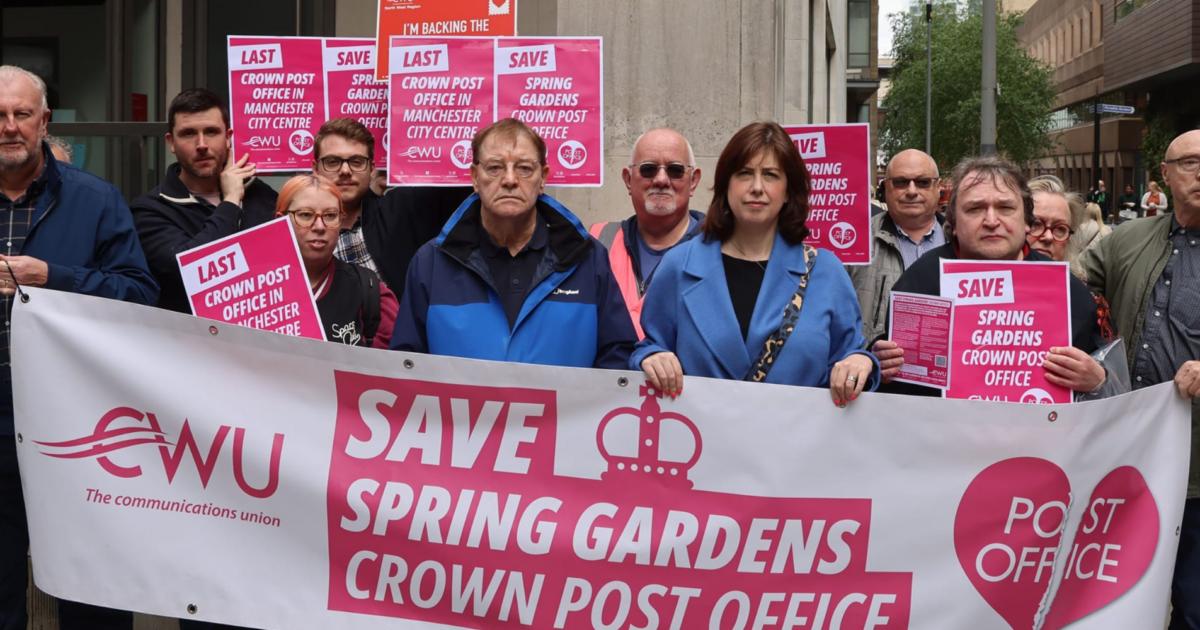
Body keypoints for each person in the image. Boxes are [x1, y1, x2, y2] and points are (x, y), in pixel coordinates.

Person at [0, 64, 158, 630]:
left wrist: (52, 277)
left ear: (44, 122)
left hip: (77, 427)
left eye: (22, 114)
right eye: (0, 116)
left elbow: (139, 295)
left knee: (93, 588)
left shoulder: (95, 200)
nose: (10, 126)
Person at [632, 121, 879, 405]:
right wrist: (650, 358)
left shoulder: (826, 271)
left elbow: (850, 354)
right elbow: (649, 346)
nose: (757, 187)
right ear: (726, 186)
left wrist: (860, 363)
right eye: (745, 174)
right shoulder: (679, 265)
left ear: (788, 190)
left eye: (771, 175)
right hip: (700, 443)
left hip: (799, 444)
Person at [391, 118, 636, 369]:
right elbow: (406, 364)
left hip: (567, 410)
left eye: (524, 168)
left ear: (543, 177)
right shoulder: (431, 263)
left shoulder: (586, 258)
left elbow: (617, 357)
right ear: (475, 177)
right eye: (495, 168)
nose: (509, 180)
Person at [1079, 129, 1200, 629]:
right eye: (1191, 162)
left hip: (1196, 470)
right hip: (1126, 458)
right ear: (1165, 175)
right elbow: (1061, 292)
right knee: (1117, 599)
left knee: (1193, 606)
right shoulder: (1126, 240)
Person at [875, 156, 1107, 398]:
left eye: (1005, 208)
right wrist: (876, 362)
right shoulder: (921, 282)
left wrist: (1099, 380)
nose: (992, 221)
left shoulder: (1068, 292)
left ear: (1027, 221)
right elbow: (896, 385)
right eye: (975, 209)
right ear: (953, 223)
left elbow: (1104, 386)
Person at [131, 88, 277, 313]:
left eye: (211, 131)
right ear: (171, 142)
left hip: (262, 334)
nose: (201, 144)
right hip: (191, 341)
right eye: (188, 133)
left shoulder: (262, 196)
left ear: (228, 138)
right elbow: (192, 270)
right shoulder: (149, 210)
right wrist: (230, 201)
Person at [310, 117, 472, 294]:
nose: (345, 171)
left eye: (357, 162)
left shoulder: (401, 211)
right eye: (333, 162)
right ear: (316, 169)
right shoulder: (298, 229)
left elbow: (466, 189)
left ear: (371, 169)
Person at [589, 128, 704, 337]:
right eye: (648, 169)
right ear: (628, 179)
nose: (661, 180)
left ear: (693, 181)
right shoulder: (598, 240)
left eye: (675, 170)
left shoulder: (717, 249)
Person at [274, 175, 397, 348]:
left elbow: (392, 367)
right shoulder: (250, 288)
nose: (319, 226)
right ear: (281, 220)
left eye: (330, 215)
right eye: (306, 215)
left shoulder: (371, 292)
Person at [847, 149, 943, 340]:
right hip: (873, 365)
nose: (912, 191)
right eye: (901, 182)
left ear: (938, 187)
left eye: (923, 182)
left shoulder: (962, 239)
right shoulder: (855, 240)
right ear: (885, 188)